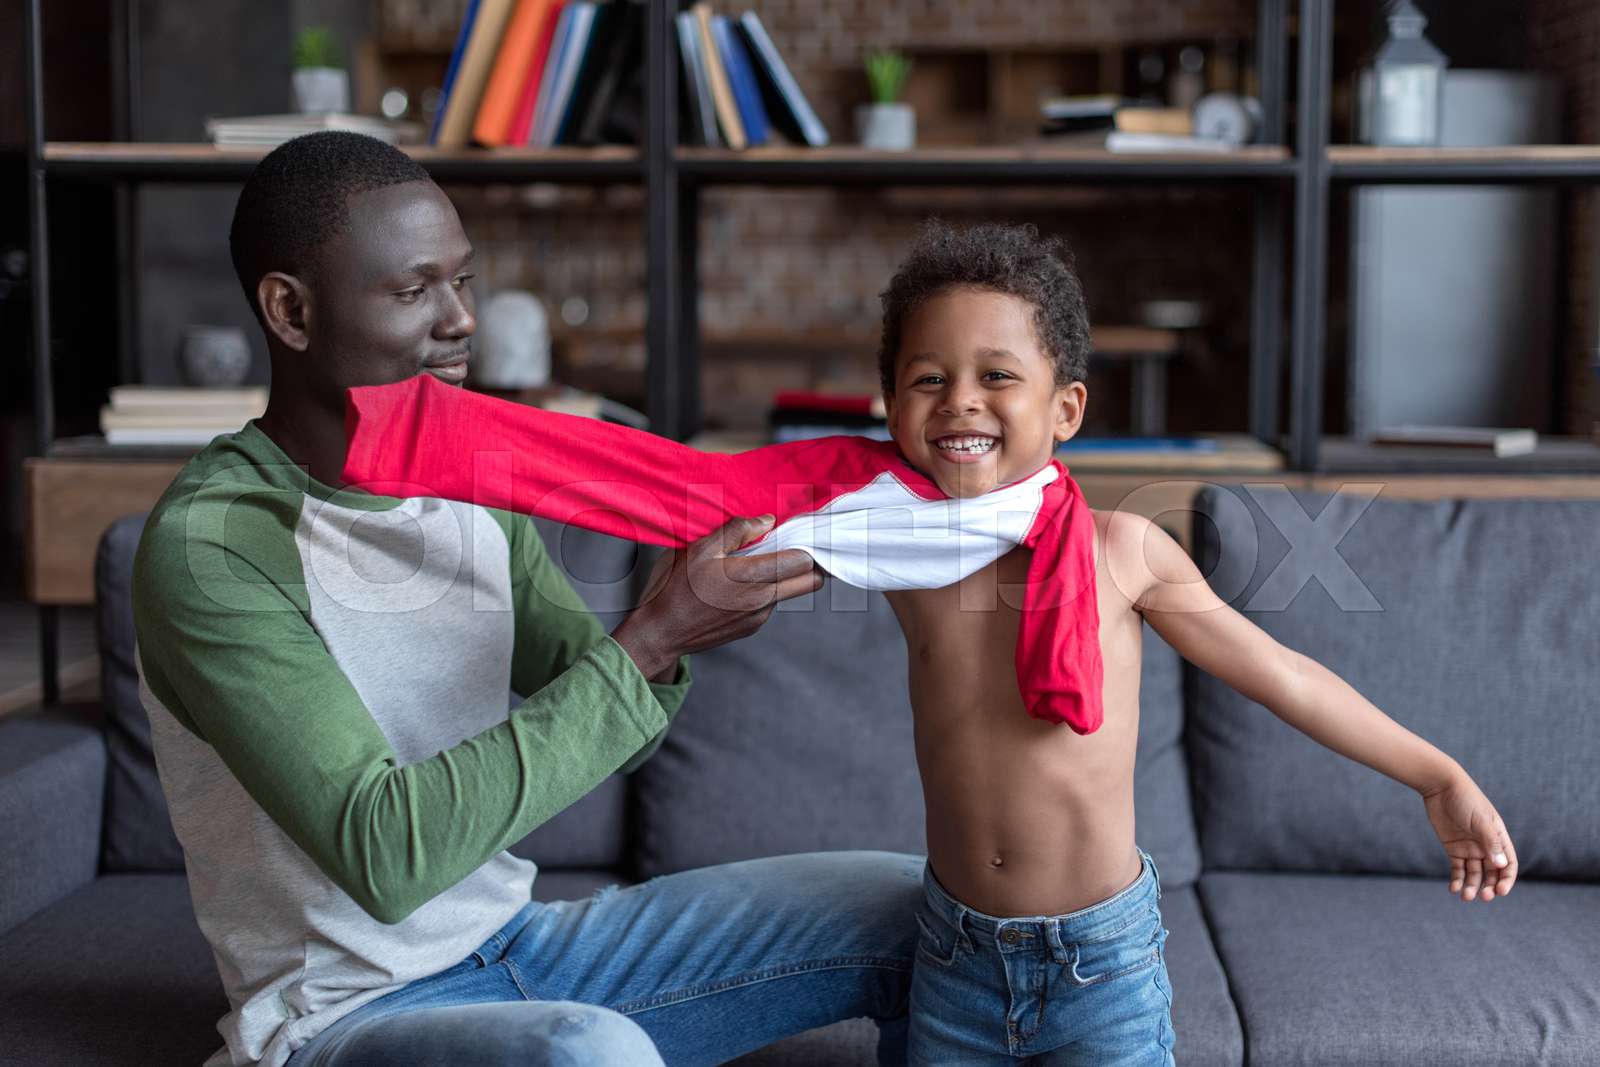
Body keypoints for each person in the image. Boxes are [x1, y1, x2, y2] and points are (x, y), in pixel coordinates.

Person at [344, 220, 1520, 1066]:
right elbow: (689, 496)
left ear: (1064, 408)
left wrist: (1439, 772)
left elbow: (1287, 677)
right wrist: (656, 561)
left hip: (1104, 963)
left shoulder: (1121, 551)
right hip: (950, 955)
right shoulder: (889, 534)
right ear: (889, 409)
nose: (960, 400)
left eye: (996, 377)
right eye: (927, 378)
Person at [131, 130, 926, 1067]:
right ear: (291, 312)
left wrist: (696, 585)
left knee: (922, 907)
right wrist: (652, 635)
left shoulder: (469, 478)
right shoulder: (218, 540)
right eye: (414, 288)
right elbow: (387, 854)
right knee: (587, 1051)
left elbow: (615, 702)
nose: (460, 319)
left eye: (462, 282)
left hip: (518, 947)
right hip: (345, 1017)